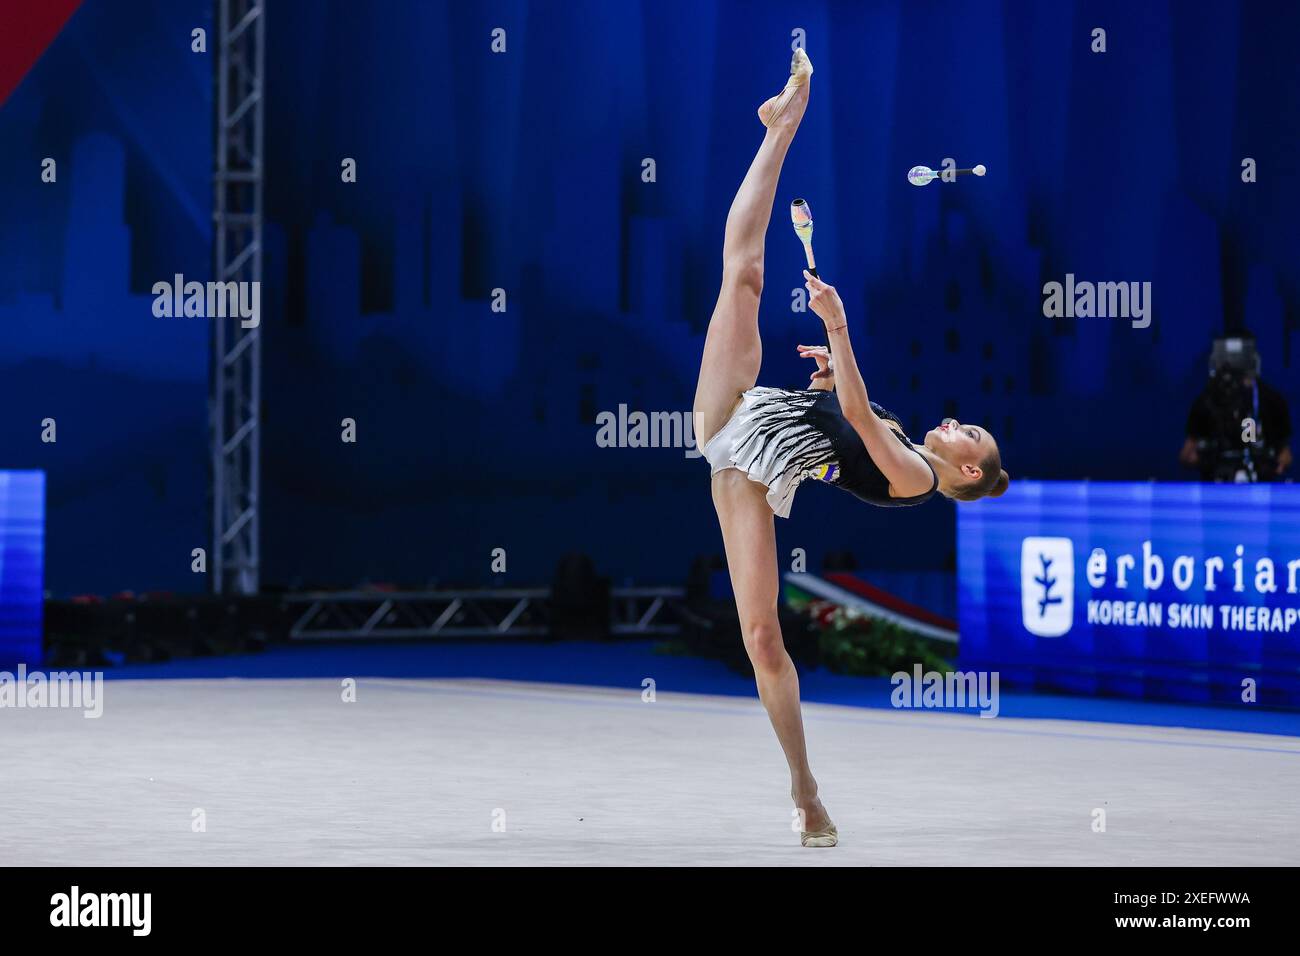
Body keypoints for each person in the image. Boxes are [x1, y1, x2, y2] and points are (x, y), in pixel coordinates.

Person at [691, 49, 1008, 847]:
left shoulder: (915, 482)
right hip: (748, 405)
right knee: (745, 276)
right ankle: (779, 129)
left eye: (968, 434)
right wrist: (833, 372)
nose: (957, 421)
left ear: (965, 469)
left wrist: (839, 329)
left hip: (743, 468)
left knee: (762, 636)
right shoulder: (907, 437)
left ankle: (805, 791)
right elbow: (847, 413)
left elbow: (862, 428)